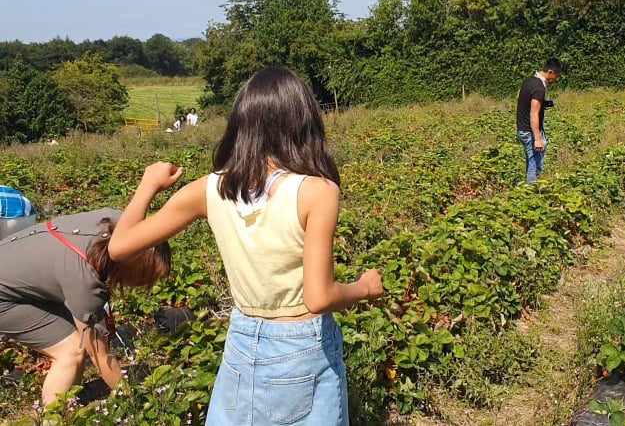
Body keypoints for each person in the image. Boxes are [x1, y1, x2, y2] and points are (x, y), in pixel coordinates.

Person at [108, 66, 384, 425]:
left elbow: (119, 247)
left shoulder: (210, 189)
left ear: (241, 124)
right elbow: (319, 298)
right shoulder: (316, 192)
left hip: (242, 340)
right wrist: (364, 288)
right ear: (304, 122)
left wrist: (148, 185)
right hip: (301, 344)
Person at [0, 208, 171, 405]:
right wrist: (133, 403)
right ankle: (54, 415)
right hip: (5, 296)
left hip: (10, 259)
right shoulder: (85, 280)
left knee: (77, 335)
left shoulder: (116, 222)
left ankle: (67, 404)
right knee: (72, 350)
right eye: (145, 278)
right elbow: (99, 355)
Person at [516, 57, 564, 184]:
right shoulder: (539, 88)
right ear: (550, 72)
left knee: (531, 161)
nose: (556, 80)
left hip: (522, 128)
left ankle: (528, 188)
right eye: (556, 76)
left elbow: (519, 96)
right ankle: (532, 191)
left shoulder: (529, 81)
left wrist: (542, 104)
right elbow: (534, 114)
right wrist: (537, 139)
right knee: (535, 164)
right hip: (530, 131)